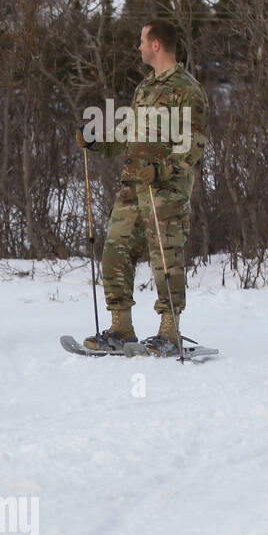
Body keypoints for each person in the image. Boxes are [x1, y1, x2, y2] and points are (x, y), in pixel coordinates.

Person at [77, 20, 208, 356]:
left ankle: (170, 330)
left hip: (167, 191)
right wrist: (96, 141)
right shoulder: (144, 88)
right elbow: (127, 135)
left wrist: (161, 170)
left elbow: (193, 146)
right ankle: (121, 327)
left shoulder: (187, 90)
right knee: (114, 251)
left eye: (141, 40)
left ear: (156, 45)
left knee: (166, 257)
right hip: (132, 187)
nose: (138, 47)